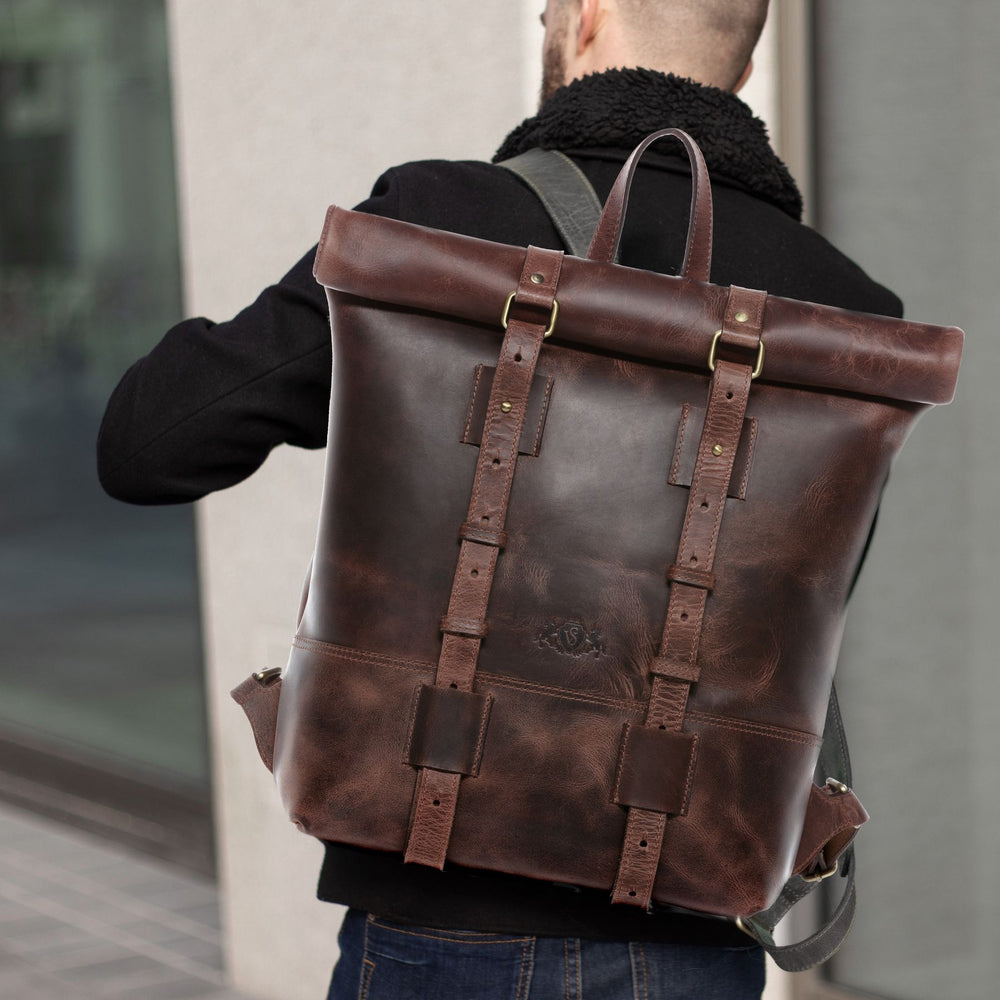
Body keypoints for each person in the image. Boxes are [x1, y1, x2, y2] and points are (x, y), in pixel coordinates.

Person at [98, 1, 901, 997]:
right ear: (743, 55)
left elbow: (148, 444)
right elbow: (798, 615)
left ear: (584, 14)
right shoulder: (849, 314)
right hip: (691, 938)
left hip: (442, 926)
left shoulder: (442, 220)